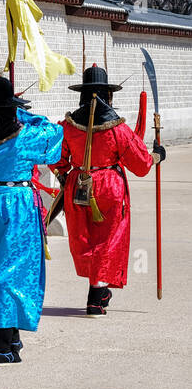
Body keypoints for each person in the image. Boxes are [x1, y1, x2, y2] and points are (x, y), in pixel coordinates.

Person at [0, 76, 63, 364]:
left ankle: (12, 335)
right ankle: (2, 345)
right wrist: (25, 114)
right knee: (13, 270)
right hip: (16, 202)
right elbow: (54, 134)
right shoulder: (24, 137)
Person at [52, 65, 164, 316]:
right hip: (109, 187)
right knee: (107, 239)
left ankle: (100, 290)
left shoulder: (68, 125)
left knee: (84, 238)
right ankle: (96, 295)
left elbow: (56, 157)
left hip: (78, 184)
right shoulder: (117, 128)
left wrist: (63, 175)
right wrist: (157, 156)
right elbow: (141, 164)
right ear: (108, 95)